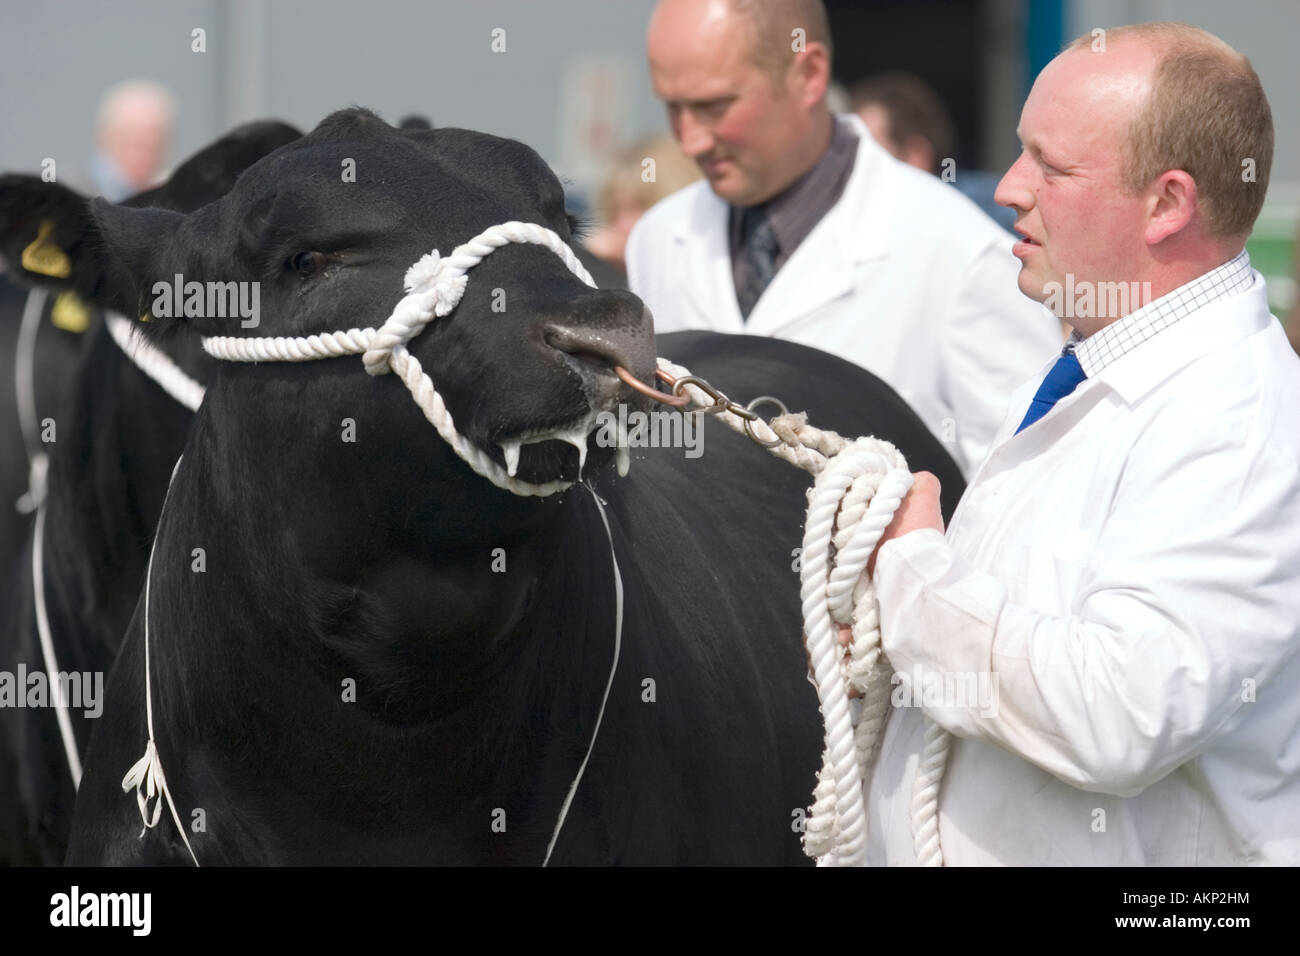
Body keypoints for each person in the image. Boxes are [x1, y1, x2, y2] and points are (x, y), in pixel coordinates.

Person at [862, 22, 1300, 865]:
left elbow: (1120, 714)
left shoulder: (1238, 421)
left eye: (1051, 167)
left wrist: (913, 579)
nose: (1007, 189)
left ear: (1169, 204)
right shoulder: (1100, 366)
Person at [626, 0, 1062, 477]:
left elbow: (1022, 493)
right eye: (673, 107)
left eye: (714, 106)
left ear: (810, 73)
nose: (690, 141)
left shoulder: (961, 255)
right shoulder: (657, 240)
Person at [89, 80, 175, 201]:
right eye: (130, 144)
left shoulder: (173, 197)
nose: (140, 157)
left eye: (151, 148)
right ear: (104, 139)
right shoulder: (71, 196)